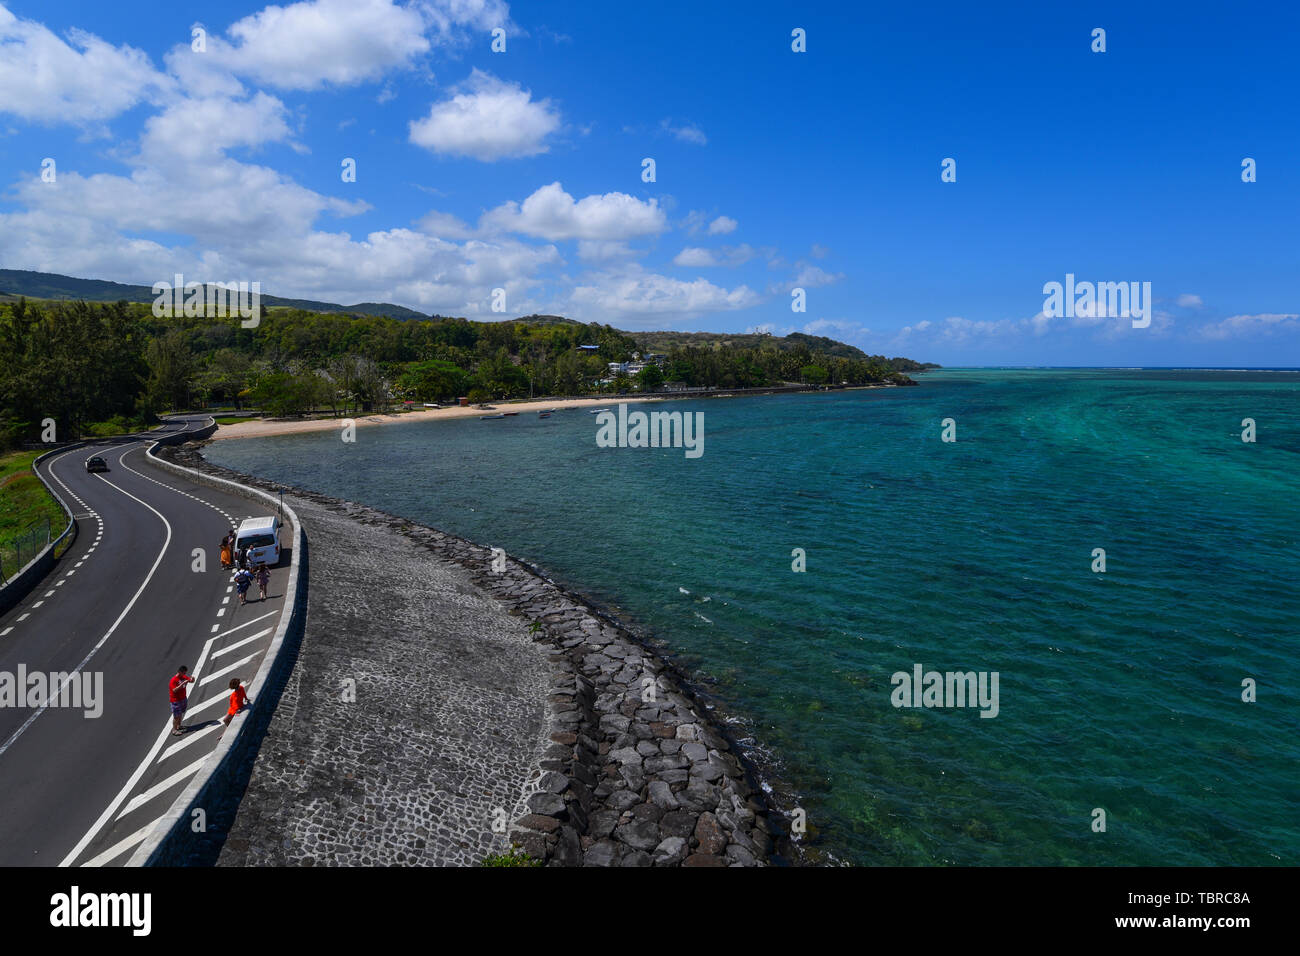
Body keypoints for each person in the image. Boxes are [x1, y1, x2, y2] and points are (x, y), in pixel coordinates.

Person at [169, 665, 194, 736]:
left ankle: (178, 726)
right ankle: (174, 730)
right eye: (184, 673)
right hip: (175, 701)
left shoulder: (183, 677)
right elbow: (174, 690)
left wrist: (192, 679)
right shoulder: (173, 680)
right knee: (176, 716)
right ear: (179, 672)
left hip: (183, 699)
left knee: (180, 714)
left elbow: (190, 681)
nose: (185, 675)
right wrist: (183, 683)